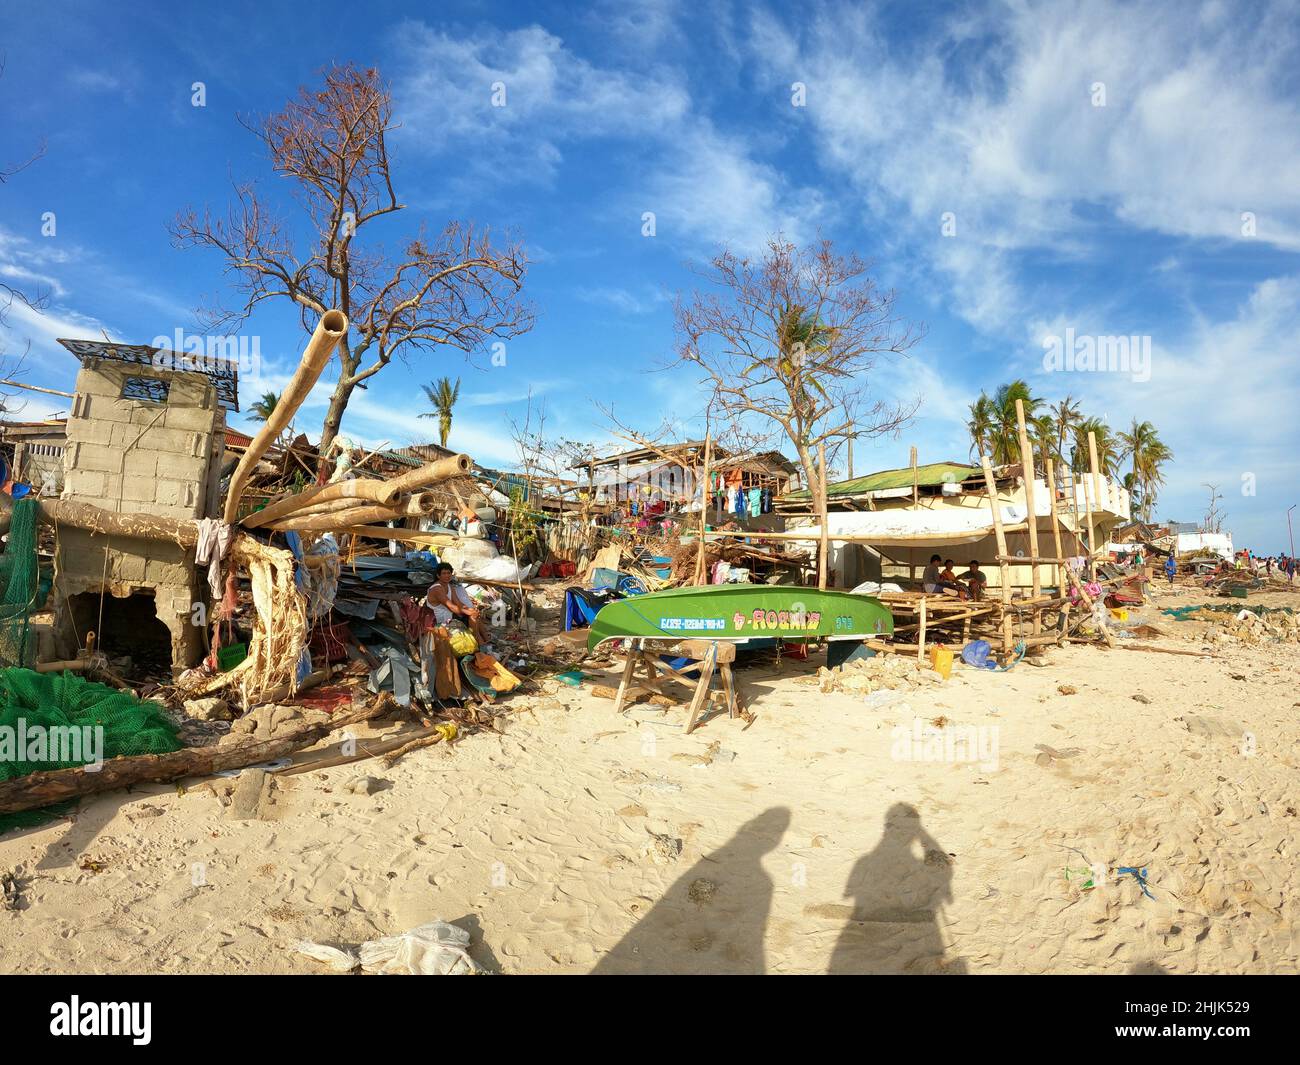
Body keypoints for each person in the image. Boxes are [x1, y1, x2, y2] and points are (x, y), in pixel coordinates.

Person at [426, 562, 490, 646]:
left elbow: (458, 603)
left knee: (474, 613)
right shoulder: (437, 589)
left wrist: (471, 610)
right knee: (472, 616)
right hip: (440, 620)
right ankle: (479, 641)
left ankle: (486, 639)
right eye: (444, 573)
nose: (447, 575)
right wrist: (468, 612)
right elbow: (452, 607)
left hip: (449, 615)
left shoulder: (449, 586)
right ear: (438, 576)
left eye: (448, 573)